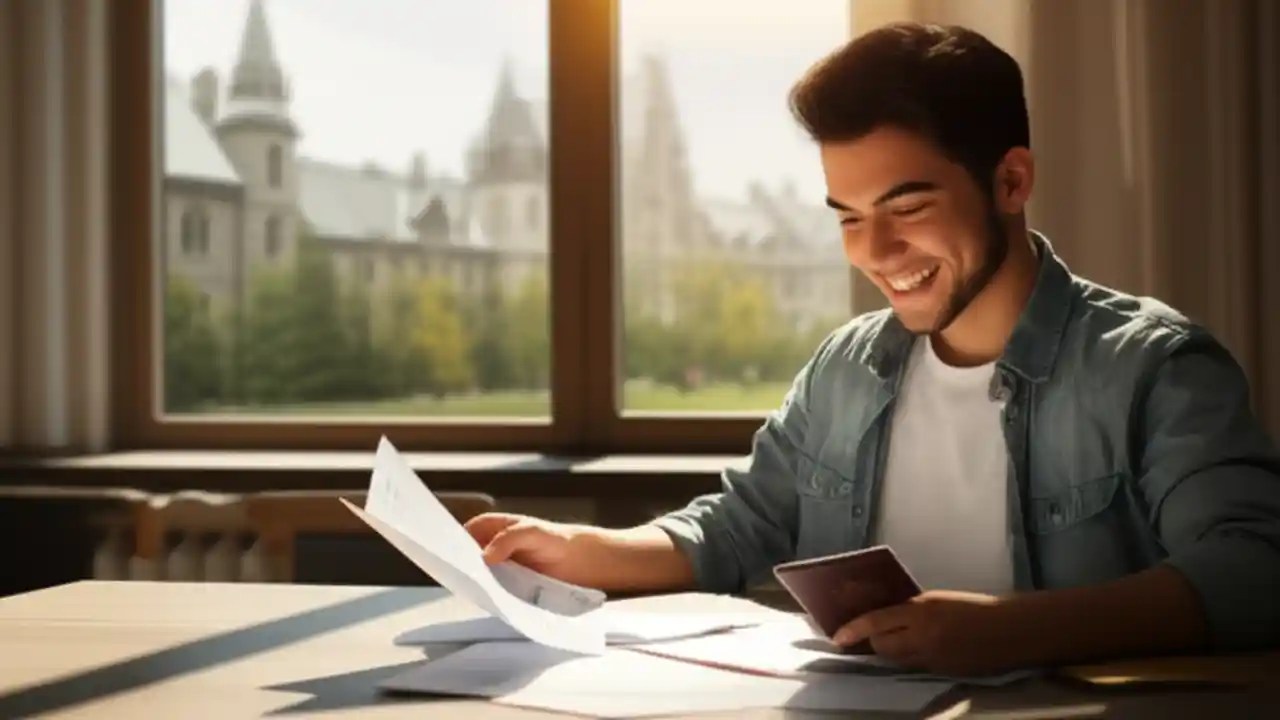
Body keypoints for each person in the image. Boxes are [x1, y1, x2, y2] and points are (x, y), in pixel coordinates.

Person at [464, 22, 1280, 676]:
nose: (876, 250)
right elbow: (737, 527)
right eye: (848, 216)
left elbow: (1255, 573)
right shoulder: (845, 369)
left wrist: (1014, 632)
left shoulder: (1155, 369)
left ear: (1011, 181)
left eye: (908, 205)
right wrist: (581, 551)